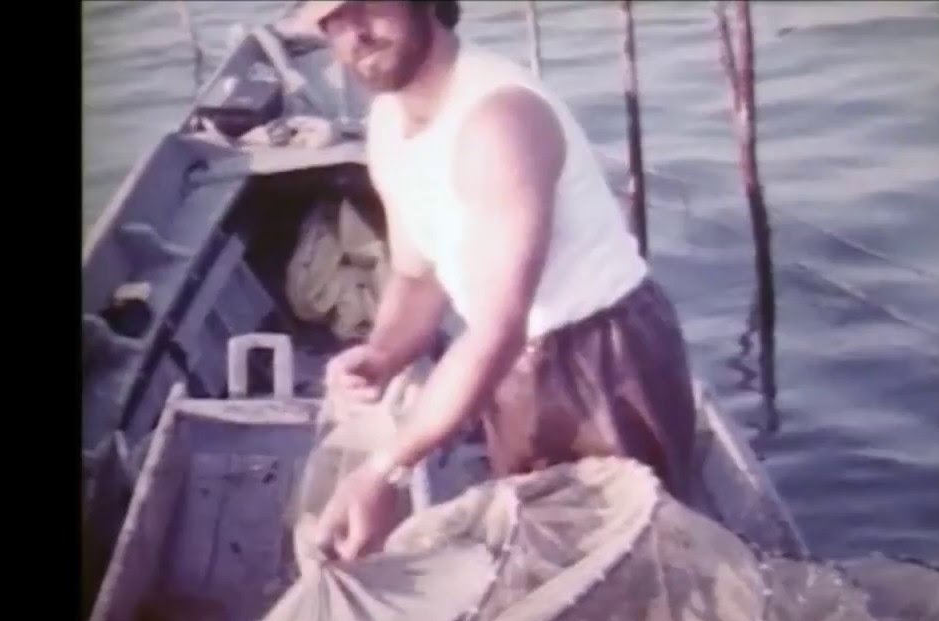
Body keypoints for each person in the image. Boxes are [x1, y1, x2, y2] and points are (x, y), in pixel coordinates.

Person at [283, 0, 697, 561]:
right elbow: (417, 273)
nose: (355, 32)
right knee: (543, 551)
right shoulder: (388, 123)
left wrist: (387, 469)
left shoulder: (500, 119)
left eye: (370, 4)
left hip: (602, 356)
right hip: (509, 365)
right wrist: (380, 355)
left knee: (638, 556)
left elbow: (500, 326)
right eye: (334, 19)